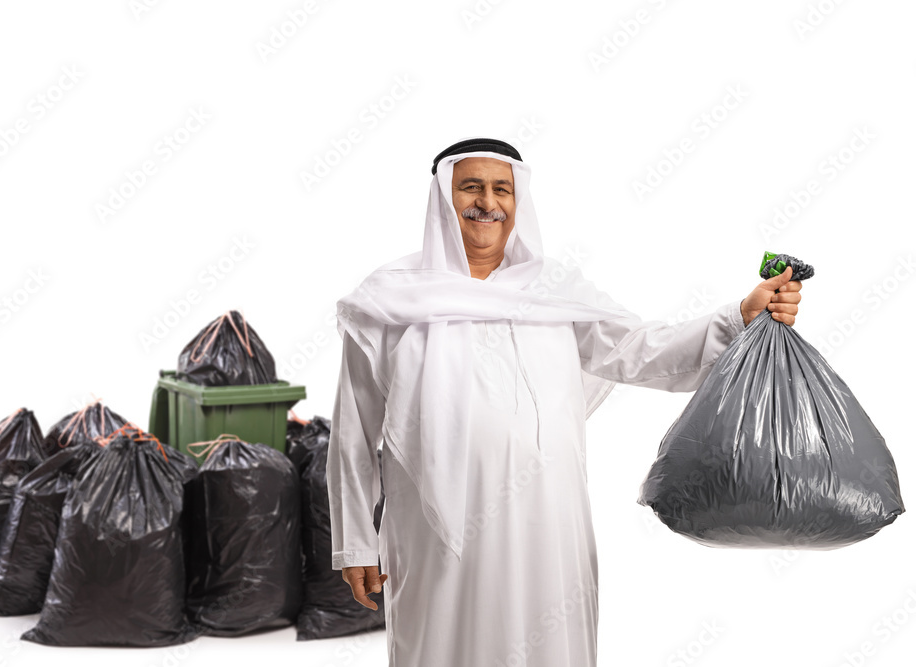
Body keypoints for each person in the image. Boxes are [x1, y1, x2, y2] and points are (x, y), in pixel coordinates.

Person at [326, 137, 803, 666]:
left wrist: (738, 318)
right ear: (443, 197)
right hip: (436, 532)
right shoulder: (391, 301)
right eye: (471, 187)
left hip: (549, 520)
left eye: (502, 189)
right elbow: (353, 434)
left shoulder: (554, 290)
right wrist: (356, 543)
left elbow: (640, 350)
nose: (487, 202)